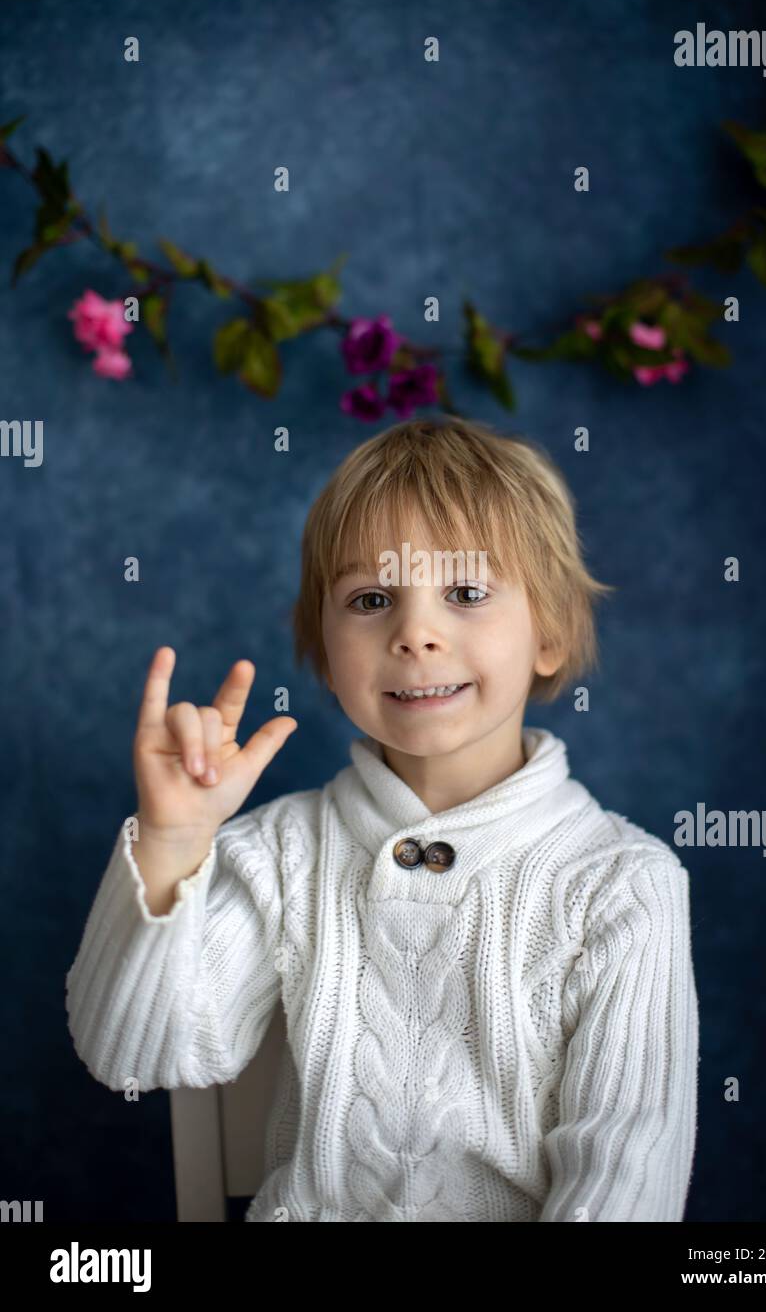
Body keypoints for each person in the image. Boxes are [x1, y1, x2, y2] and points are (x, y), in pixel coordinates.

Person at [65, 415, 699, 1222]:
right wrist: (175, 842)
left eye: (466, 593)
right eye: (371, 599)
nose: (416, 634)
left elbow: (624, 1185)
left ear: (552, 632)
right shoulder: (283, 854)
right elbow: (133, 1053)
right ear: (327, 655)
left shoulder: (623, 886)